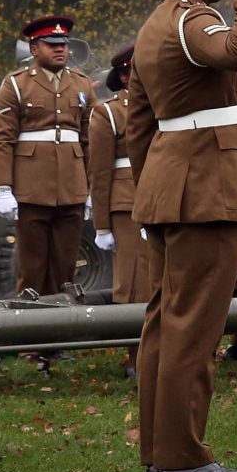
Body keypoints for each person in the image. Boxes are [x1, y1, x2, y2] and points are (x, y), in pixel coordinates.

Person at [128, 0, 237, 472]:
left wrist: (153, 193)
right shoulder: (190, 21)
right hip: (205, 191)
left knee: (166, 324)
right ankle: (181, 454)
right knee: (193, 327)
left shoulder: (153, 27)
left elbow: (140, 127)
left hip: (175, 190)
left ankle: (161, 451)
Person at [0, 15, 96, 296]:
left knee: (66, 267)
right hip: (31, 189)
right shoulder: (16, 85)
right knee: (32, 269)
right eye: (51, 44)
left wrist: (92, 188)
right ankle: (31, 325)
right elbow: (2, 139)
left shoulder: (82, 85)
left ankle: (62, 328)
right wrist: (3, 187)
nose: (60, 49)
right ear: (34, 49)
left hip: (72, 188)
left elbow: (91, 141)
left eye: (63, 44)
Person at [86, 44, 158, 311]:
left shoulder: (161, 104)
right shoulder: (109, 112)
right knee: (134, 278)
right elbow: (100, 171)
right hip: (127, 203)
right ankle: (136, 348)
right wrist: (102, 225)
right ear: (124, 76)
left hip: (161, 194)